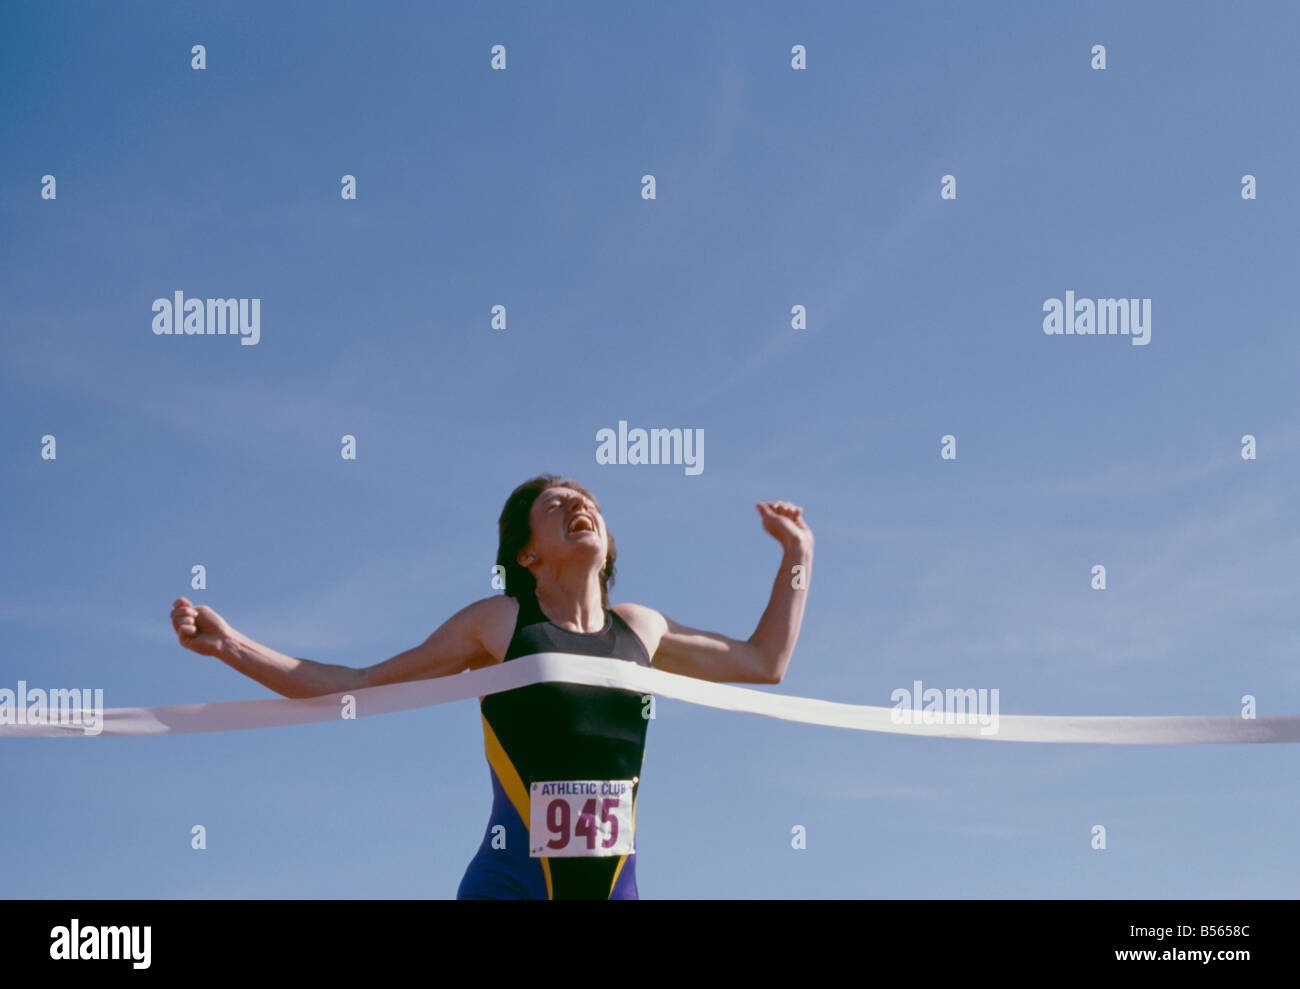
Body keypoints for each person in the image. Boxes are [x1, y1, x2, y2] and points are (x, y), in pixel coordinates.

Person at [170, 474, 813, 899]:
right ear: (528, 553)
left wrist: (797, 557)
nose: (579, 505)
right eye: (556, 505)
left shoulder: (639, 628)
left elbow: (763, 664)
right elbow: (356, 686)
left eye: (585, 499)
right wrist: (232, 646)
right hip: (510, 886)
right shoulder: (501, 622)